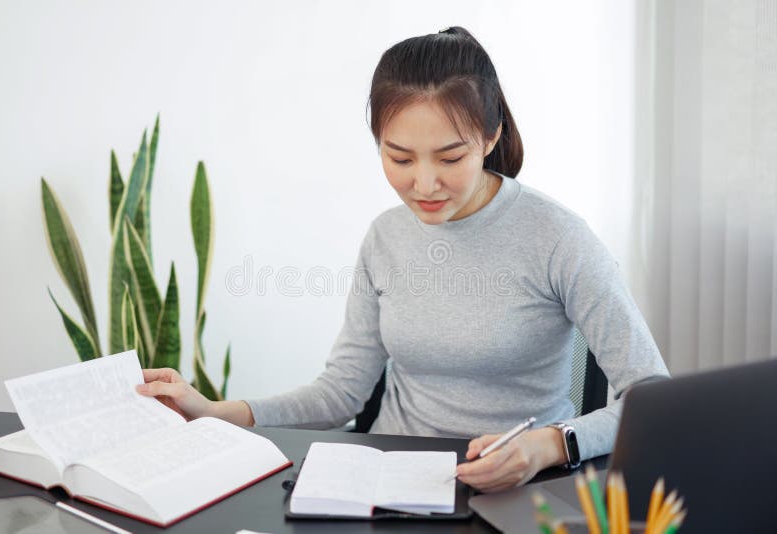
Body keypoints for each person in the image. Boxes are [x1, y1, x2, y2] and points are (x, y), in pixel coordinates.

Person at [135, 26, 670, 492]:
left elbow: (651, 397)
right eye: (399, 157)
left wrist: (550, 445)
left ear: (490, 136)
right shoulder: (385, 237)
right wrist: (213, 412)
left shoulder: (558, 238)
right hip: (386, 478)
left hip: (518, 483)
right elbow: (341, 391)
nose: (424, 183)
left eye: (450, 156)